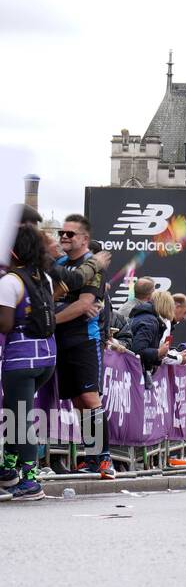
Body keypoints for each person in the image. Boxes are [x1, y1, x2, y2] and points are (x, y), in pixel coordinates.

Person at [51, 214, 113, 478]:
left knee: (89, 398)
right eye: (62, 233)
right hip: (60, 340)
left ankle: (103, 458)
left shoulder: (93, 265)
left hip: (85, 340)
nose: (64, 237)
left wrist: (49, 319)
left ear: (84, 239)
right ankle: (90, 456)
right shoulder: (60, 263)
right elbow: (50, 295)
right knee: (77, 401)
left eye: (70, 234)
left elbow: (84, 304)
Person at [0, 224, 58, 500]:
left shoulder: (10, 282)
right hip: (47, 357)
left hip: (21, 360)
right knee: (16, 413)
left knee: (20, 418)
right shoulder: (42, 277)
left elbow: (5, 324)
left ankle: (30, 480)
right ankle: (8, 471)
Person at [129, 288, 175, 374]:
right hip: (133, 372)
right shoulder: (150, 321)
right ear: (166, 306)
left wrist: (158, 357)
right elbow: (137, 351)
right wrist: (158, 352)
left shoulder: (149, 319)